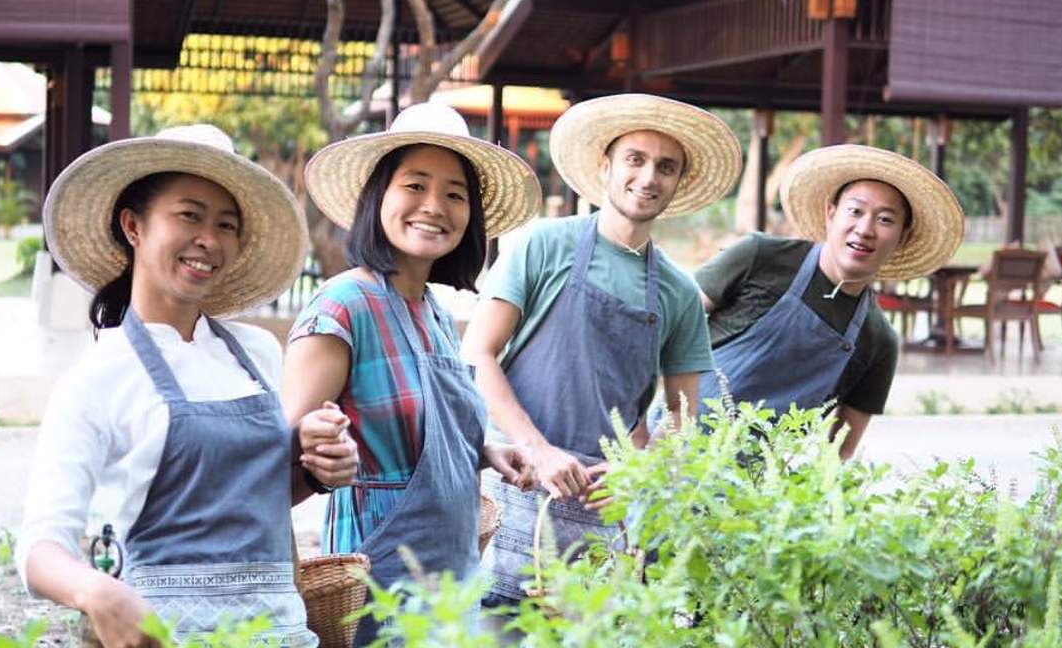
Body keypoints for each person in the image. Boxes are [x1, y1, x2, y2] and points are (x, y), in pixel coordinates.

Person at [15, 125, 358, 647]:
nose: (210, 240)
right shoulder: (99, 377)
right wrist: (95, 592)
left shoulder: (258, 352)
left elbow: (247, 500)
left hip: (279, 632)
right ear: (133, 226)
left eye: (226, 224)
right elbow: (40, 547)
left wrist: (319, 469)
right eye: (189, 215)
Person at [460, 93, 743, 606]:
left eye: (666, 166)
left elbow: (681, 414)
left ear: (677, 183)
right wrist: (536, 449)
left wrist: (641, 470)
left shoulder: (677, 291)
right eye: (635, 159)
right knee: (494, 627)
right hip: (516, 480)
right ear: (605, 164)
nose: (649, 176)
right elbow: (478, 354)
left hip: (603, 499)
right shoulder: (544, 244)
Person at [288, 103, 542, 645]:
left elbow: (427, 429)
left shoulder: (434, 312)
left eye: (454, 194)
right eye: (415, 186)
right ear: (378, 196)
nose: (435, 206)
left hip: (453, 574)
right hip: (379, 578)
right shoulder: (343, 308)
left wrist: (487, 451)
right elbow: (280, 458)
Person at [695, 144, 964, 459]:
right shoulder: (761, 257)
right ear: (831, 213)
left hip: (755, 494)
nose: (865, 229)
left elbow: (836, 456)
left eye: (886, 220)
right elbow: (670, 323)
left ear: (903, 237)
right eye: (855, 211)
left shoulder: (877, 341)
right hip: (668, 449)